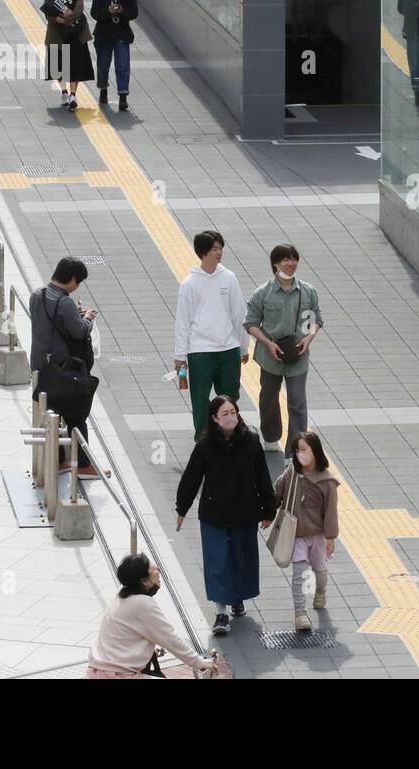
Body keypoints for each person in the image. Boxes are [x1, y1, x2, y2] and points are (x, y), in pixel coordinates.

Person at [175, 395, 278, 637]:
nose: (231, 417)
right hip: (214, 515)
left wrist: (268, 509)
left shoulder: (252, 441)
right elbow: (191, 478)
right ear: (214, 418)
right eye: (225, 414)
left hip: (245, 513)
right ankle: (221, 612)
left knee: (241, 558)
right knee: (217, 561)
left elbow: (262, 476)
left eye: (233, 412)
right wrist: (182, 508)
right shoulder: (205, 445)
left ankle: (237, 598)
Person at [245, 243, 323, 455]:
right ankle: (271, 436)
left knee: (297, 403)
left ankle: (295, 450)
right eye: (286, 259)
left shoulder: (308, 291)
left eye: (294, 259)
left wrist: (309, 339)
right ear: (275, 263)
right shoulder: (263, 293)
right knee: (268, 398)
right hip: (270, 356)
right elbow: (251, 323)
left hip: (298, 356)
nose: (291, 263)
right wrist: (268, 343)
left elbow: (316, 320)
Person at [87, 554, 218, 678]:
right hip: (119, 675)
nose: (158, 568)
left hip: (96, 671)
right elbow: (171, 639)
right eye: (153, 568)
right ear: (143, 581)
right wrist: (200, 663)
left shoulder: (120, 595)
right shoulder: (143, 604)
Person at [29, 257, 101, 477]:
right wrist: (86, 318)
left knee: (53, 411)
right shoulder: (65, 302)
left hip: (41, 364)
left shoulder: (37, 294)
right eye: (77, 282)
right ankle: (83, 464)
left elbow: (50, 324)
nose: (76, 287)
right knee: (75, 414)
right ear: (71, 279)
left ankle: (59, 460)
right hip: (62, 367)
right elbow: (79, 332)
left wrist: (74, 317)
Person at [173, 230, 249, 441]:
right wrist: (180, 356)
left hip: (228, 350)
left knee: (230, 399)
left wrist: (243, 346)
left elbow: (239, 314)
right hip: (200, 352)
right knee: (199, 400)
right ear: (203, 252)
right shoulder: (189, 283)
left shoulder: (229, 278)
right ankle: (204, 440)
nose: (219, 252)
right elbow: (182, 321)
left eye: (220, 248)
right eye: (215, 249)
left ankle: (230, 437)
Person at [267, 431, 340, 633]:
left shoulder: (327, 481)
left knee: (320, 571)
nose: (300, 454)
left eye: (304, 449)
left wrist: (330, 537)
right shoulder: (292, 473)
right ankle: (300, 613)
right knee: (298, 573)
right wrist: (266, 510)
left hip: (317, 536)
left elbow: (331, 512)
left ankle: (320, 591)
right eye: (298, 450)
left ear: (315, 451)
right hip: (296, 534)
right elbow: (278, 490)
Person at [41, 0, 94, 111]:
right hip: (57, 34)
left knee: (76, 64)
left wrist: (67, 19)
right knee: (58, 66)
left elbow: (79, 9)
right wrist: (59, 19)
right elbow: (47, 13)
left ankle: (73, 94)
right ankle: (64, 92)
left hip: (76, 32)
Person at [89, 0, 139, 111]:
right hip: (104, 35)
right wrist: (107, 11)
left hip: (121, 35)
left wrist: (122, 11)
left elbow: (134, 13)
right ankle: (103, 89)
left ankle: (123, 96)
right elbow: (94, 13)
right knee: (103, 65)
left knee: (123, 66)